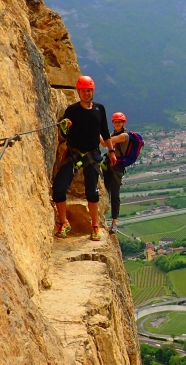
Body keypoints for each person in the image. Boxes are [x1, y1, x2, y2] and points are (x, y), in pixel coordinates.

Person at [52, 76, 114, 241]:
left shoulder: (100, 109)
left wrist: (112, 151)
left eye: (89, 90)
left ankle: (95, 226)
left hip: (92, 155)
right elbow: (64, 135)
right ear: (78, 92)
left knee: (92, 193)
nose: (86, 93)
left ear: (92, 91)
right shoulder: (71, 110)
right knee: (59, 188)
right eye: (83, 90)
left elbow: (105, 132)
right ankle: (64, 222)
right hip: (75, 154)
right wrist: (65, 128)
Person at [105, 111, 129, 233]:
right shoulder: (113, 134)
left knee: (115, 194)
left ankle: (114, 221)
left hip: (117, 168)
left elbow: (105, 142)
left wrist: (98, 130)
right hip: (109, 164)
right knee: (105, 191)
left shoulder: (124, 136)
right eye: (115, 122)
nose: (117, 124)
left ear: (123, 123)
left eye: (119, 122)